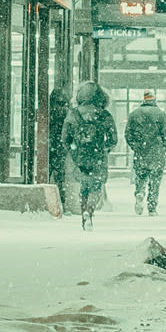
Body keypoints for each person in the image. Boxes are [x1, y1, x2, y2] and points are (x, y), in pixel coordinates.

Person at [61, 82, 116, 229]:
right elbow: (113, 139)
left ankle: (84, 210)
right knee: (96, 186)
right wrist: (105, 149)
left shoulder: (73, 114)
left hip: (80, 156)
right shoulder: (104, 115)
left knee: (84, 186)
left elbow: (65, 138)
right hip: (98, 155)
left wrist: (73, 150)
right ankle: (90, 212)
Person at [125, 91, 166, 215]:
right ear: (153, 100)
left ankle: (139, 192)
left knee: (140, 176)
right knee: (155, 181)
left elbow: (128, 134)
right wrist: (162, 148)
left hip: (141, 152)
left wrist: (135, 146)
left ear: (144, 100)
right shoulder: (160, 114)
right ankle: (152, 207)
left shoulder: (134, 114)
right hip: (156, 152)